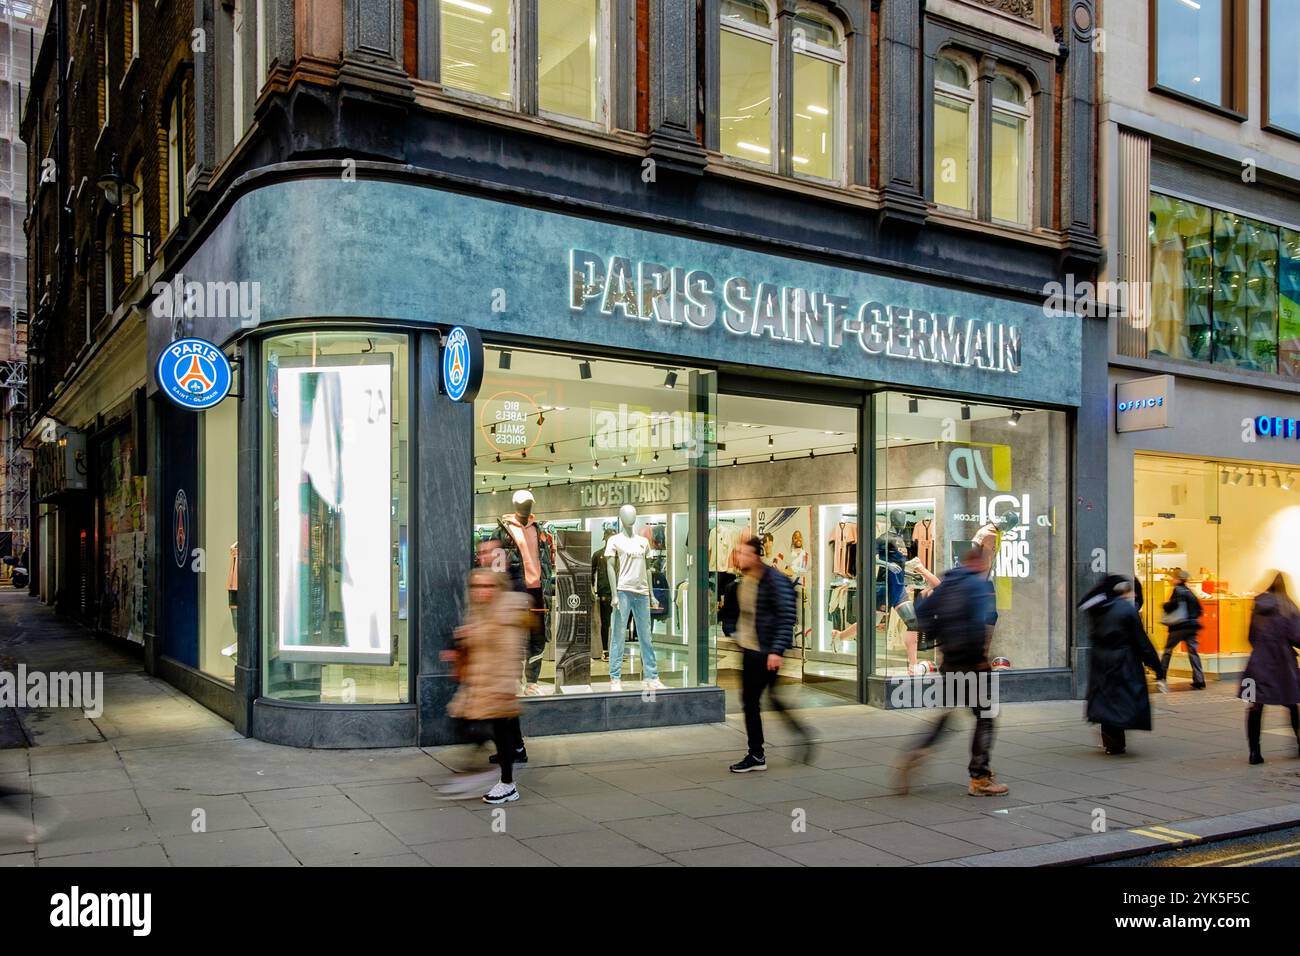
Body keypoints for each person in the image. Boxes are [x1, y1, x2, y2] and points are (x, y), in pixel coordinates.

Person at [895, 546, 1006, 796]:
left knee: (948, 714)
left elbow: (920, 614)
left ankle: (918, 750)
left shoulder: (946, 584)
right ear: (980, 564)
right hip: (971, 661)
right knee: (986, 715)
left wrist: (939, 637)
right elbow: (981, 623)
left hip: (949, 661)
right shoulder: (978, 586)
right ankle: (980, 778)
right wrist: (981, 658)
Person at [440, 567, 530, 804]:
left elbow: (510, 653)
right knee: (464, 726)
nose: (481, 591)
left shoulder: (507, 612)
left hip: (497, 685)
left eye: (488, 586)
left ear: (498, 588)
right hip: (478, 683)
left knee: (500, 734)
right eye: (477, 587)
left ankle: (507, 784)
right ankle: (496, 769)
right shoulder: (479, 611)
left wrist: (502, 689)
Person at [722, 536, 810, 772]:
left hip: (765, 652)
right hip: (750, 650)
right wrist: (734, 632)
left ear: (756, 555)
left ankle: (757, 754)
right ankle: (801, 734)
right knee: (767, 698)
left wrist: (776, 650)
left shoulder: (775, 580)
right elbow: (732, 614)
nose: (740, 557)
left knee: (751, 701)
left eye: (744, 553)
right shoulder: (741, 583)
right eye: (738, 553)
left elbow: (787, 615)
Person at [1081, 575, 1165, 756]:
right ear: (1123, 592)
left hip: (1101, 660)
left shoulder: (1097, 608)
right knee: (1122, 699)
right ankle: (1116, 744)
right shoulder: (1125, 610)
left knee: (1106, 700)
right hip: (1123, 661)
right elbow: (1142, 642)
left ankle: (1111, 743)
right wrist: (1157, 667)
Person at [1240, 572, 1300, 765]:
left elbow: (1250, 635)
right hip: (1283, 663)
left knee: (1255, 705)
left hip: (1258, 662)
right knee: (1291, 702)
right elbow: (1297, 637)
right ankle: (1299, 744)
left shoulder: (1258, 605)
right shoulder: (1289, 607)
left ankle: (1254, 752)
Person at [1159, 569, 1205, 689]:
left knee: (1168, 650)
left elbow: (1173, 606)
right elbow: (1200, 609)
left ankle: (1162, 675)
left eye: (1174, 578)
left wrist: (1164, 606)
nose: (1172, 579)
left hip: (1179, 627)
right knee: (1193, 652)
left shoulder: (1177, 590)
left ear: (1178, 579)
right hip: (1192, 627)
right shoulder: (1190, 591)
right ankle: (1199, 679)